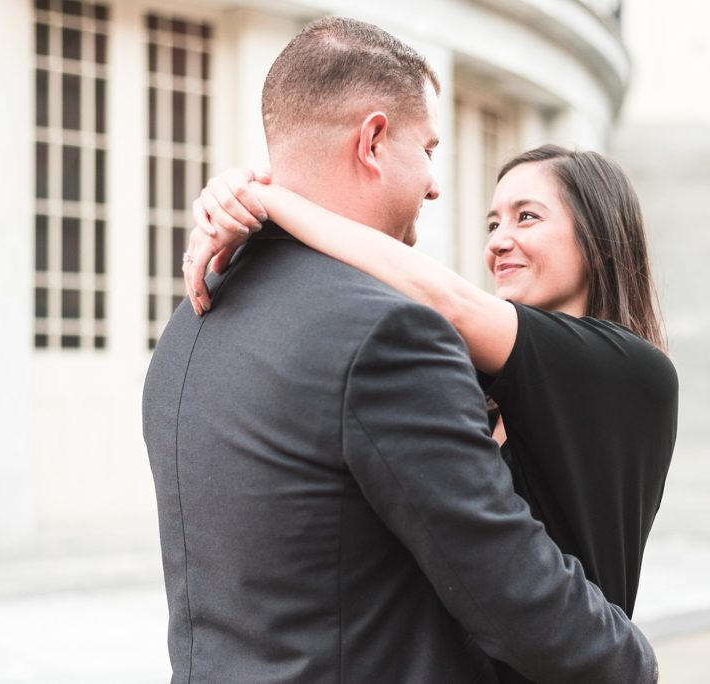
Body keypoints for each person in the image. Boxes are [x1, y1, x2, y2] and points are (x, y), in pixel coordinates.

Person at [144, 15, 658, 684]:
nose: (436, 183)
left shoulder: (192, 320)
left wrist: (258, 193)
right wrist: (631, 662)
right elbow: (506, 587)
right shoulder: (389, 336)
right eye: (430, 150)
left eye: (526, 217)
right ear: (374, 141)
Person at [189, 145, 677, 621]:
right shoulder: (484, 381)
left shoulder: (631, 370)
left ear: (598, 238)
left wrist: (266, 200)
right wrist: (238, 200)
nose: (498, 242)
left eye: (526, 217)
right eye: (493, 223)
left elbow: (444, 299)